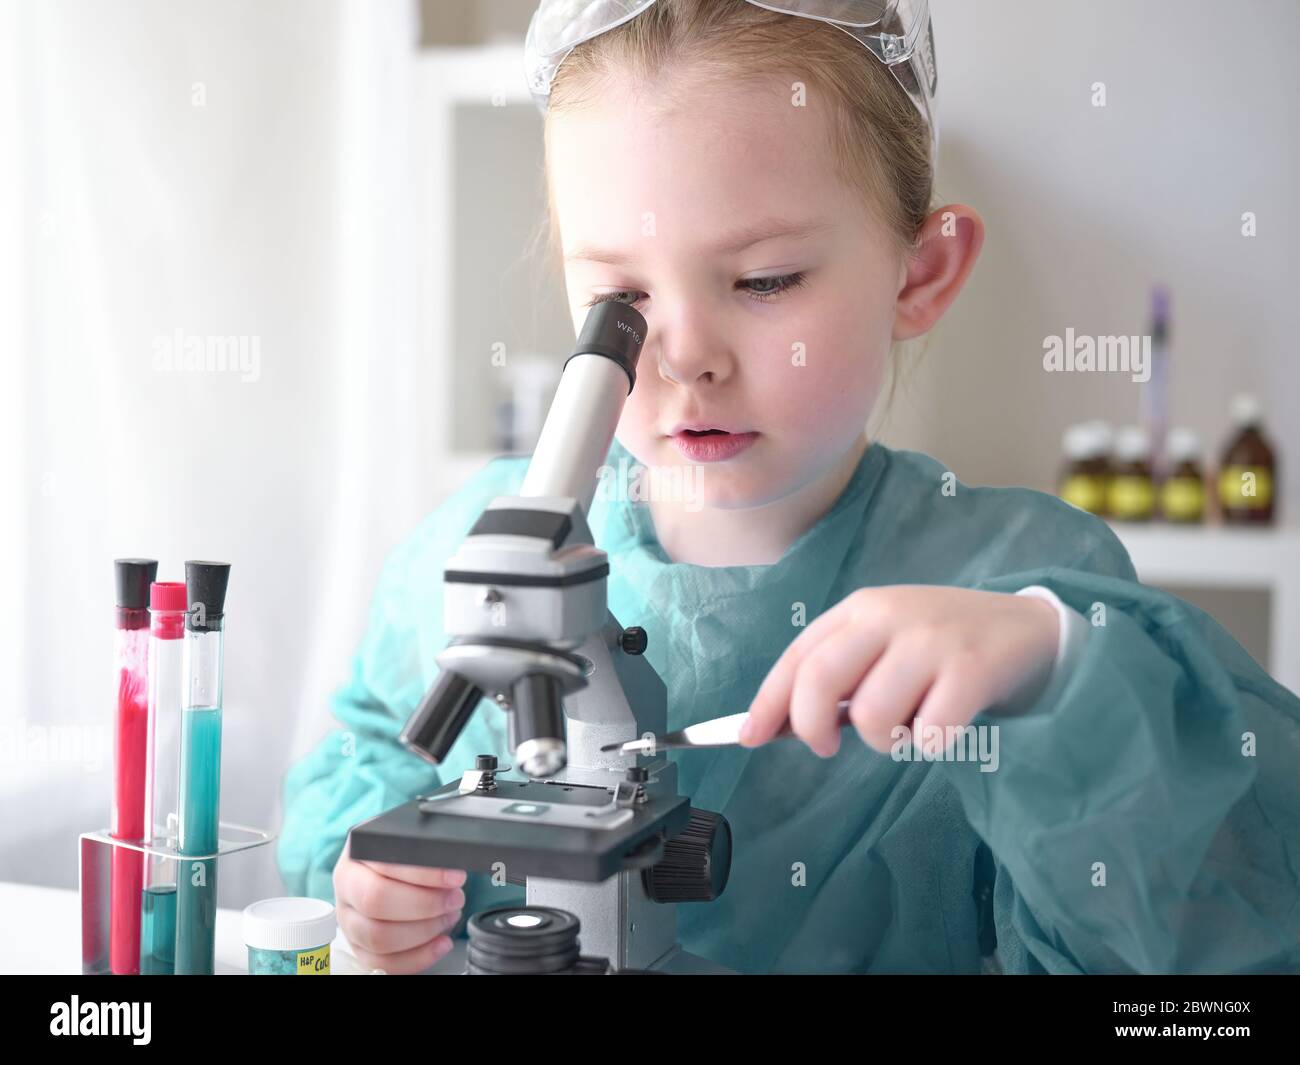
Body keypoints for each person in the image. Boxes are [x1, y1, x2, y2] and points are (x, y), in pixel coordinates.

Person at [277, 0, 1300, 974]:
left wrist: (1057, 687)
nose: (684, 357)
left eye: (763, 281)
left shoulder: (1024, 584)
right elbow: (368, 777)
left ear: (918, 275)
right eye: (620, 299)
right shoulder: (478, 548)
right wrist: (371, 893)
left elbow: (1217, 942)